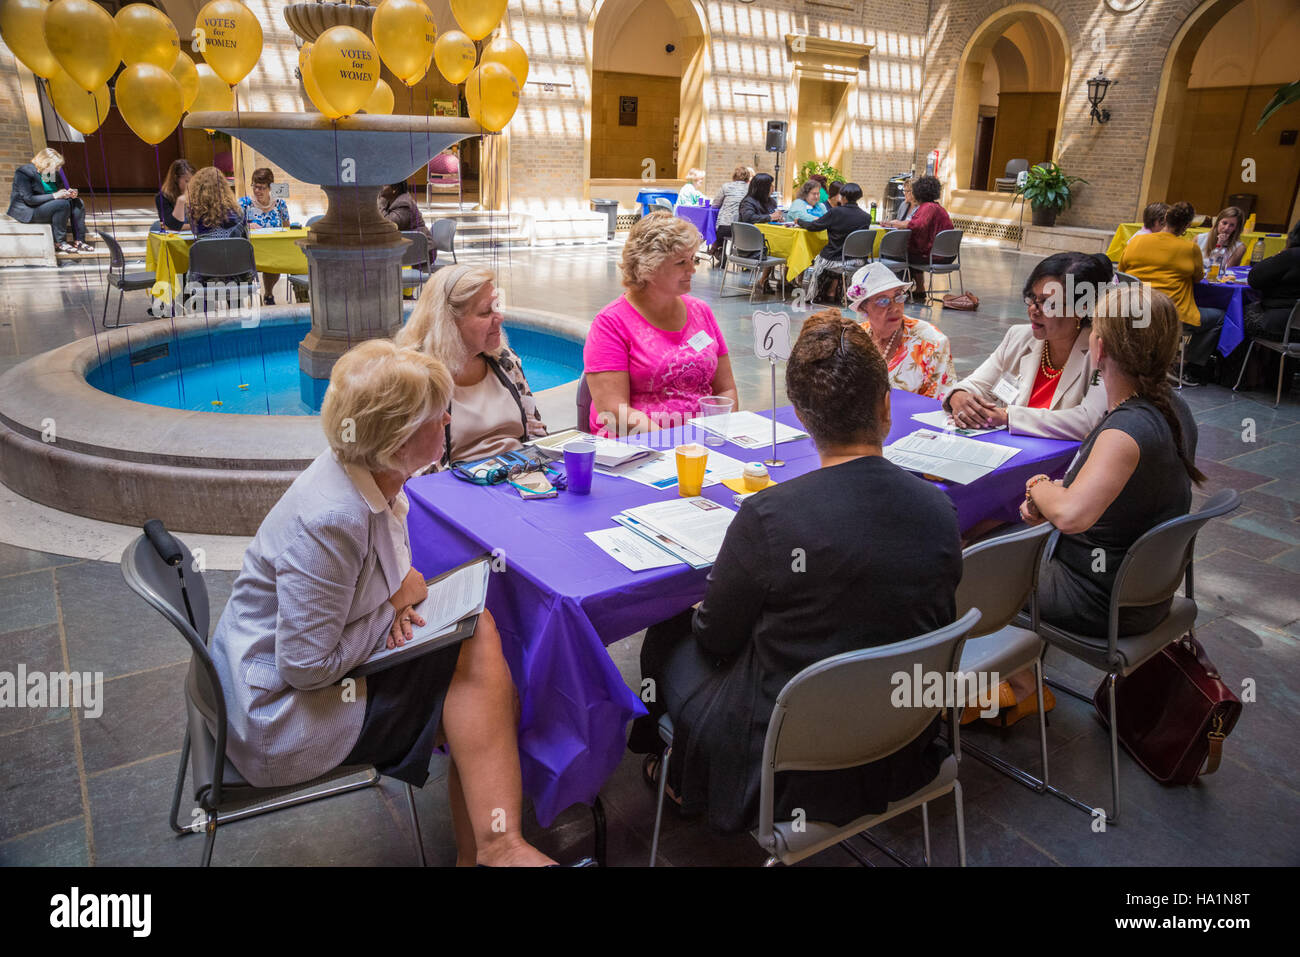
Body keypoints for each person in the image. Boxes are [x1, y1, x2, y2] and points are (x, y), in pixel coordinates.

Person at [208, 339, 561, 866]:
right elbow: (305, 667)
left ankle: (492, 850)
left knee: (479, 644)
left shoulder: (370, 474)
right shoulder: (333, 519)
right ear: (397, 440)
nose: (448, 417)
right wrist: (391, 605)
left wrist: (394, 603)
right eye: (435, 415)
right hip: (280, 716)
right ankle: (496, 849)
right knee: (484, 694)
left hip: (291, 678)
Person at [628, 311, 961, 833]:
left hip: (783, 762)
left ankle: (684, 779)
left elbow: (715, 638)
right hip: (903, 737)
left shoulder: (769, 517)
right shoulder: (939, 509)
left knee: (665, 633)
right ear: (886, 407)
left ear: (802, 419)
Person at [1024, 287, 1202, 638]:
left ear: (1100, 347)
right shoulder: (1175, 409)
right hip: (1143, 593)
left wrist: (1038, 488)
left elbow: (1071, 516)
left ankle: (1019, 680)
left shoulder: (1125, 431)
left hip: (1096, 599)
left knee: (965, 563)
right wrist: (1058, 494)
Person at [584, 213, 737, 436]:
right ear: (648, 267)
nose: (692, 269)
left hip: (702, 445)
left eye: (692, 259)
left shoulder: (701, 311)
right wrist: (673, 444)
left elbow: (726, 389)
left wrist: (722, 433)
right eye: (681, 262)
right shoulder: (611, 324)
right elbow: (613, 412)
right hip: (639, 449)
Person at [944, 251, 1112, 440]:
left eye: (1048, 302)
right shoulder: (1019, 337)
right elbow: (977, 384)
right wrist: (959, 396)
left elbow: (1088, 421)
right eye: (1032, 298)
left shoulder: (1103, 352)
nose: (1033, 309)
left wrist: (1008, 417)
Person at [394, 265, 546, 466]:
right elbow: (420, 467)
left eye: (497, 306)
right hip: (457, 487)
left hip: (521, 475)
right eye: (485, 312)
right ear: (448, 323)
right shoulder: (417, 377)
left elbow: (534, 428)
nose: (499, 318)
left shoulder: (504, 360)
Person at [1119, 200, 1224, 384]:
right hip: (1172, 314)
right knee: (1219, 317)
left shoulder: (1136, 241)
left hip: (1136, 309)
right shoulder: (1189, 248)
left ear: (1165, 218)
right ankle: (1190, 365)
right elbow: (1199, 277)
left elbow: (1122, 270)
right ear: (1187, 226)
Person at [846, 262, 954, 399]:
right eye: (883, 301)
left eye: (898, 296)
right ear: (863, 308)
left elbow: (938, 404)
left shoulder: (932, 343)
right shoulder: (856, 337)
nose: (895, 308)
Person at [798, 181, 874, 302]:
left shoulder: (836, 212)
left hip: (835, 259)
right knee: (835, 257)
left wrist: (800, 221)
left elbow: (814, 226)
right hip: (859, 260)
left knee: (819, 259)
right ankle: (834, 292)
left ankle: (813, 294)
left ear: (842, 197)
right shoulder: (866, 217)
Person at [7, 148, 91, 254]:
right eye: (54, 166)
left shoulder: (49, 173)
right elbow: (29, 199)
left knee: (77, 202)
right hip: (29, 210)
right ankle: (60, 242)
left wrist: (67, 193)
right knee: (62, 205)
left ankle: (79, 240)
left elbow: (53, 191)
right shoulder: (25, 173)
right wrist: (56, 195)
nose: (56, 169)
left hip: (46, 206)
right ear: (44, 163)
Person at [239, 167, 291, 304]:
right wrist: (247, 226)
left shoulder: (280, 204)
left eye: (261, 188)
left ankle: (268, 293)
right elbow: (233, 226)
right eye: (255, 187)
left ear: (270, 188)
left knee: (275, 261)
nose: (257, 191)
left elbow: (287, 227)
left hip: (274, 249)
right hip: (250, 251)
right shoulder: (244, 203)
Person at [1245, 220, 1300, 339]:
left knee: (1236, 314)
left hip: (1280, 325)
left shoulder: (1292, 256)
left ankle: (1232, 357)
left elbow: (1254, 279)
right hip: (1292, 328)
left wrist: (1283, 253)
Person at [904, 174, 954, 303]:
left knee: (899, 255)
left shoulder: (928, 207)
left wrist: (896, 224)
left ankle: (899, 291)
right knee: (912, 251)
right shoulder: (937, 206)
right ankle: (920, 290)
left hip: (936, 256)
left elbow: (917, 225)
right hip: (947, 254)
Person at [738, 172, 784, 294]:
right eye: (770, 185)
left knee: (785, 248)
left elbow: (772, 215)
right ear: (763, 187)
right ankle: (763, 280)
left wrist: (778, 218)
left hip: (767, 241)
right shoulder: (748, 202)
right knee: (777, 250)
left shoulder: (770, 202)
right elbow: (749, 218)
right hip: (751, 245)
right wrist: (769, 217)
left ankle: (786, 281)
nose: (773, 188)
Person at [379, 180, 436, 269]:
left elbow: (388, 225)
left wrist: (381, 203)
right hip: (410, 249)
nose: (380, 186)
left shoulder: (403, 203)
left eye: (385, 184)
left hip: (421, 251)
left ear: (395, 189)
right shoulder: (392, 199)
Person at [188, 166, 248, 240]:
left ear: (198, 189)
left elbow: (195, 232)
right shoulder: (238, 212)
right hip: (233, 250)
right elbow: (245, 239)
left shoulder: (195, 214)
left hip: (206, 250)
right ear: (224, 187)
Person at [708, 164, 751, 263]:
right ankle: (719, 249)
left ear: (734, 176)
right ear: (748, 178)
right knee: (731, 228)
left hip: (724, 227)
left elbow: (715, 205)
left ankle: (717, 249)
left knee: (720, 228)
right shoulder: (750, 189)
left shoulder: (726, 186)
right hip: (743, 229)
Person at [156, 158, 194, 231]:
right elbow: (172, 226)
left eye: (193, 181)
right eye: (187, 181)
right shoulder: (162, 197)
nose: (191, 185)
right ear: (176, 179)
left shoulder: (198, 194)